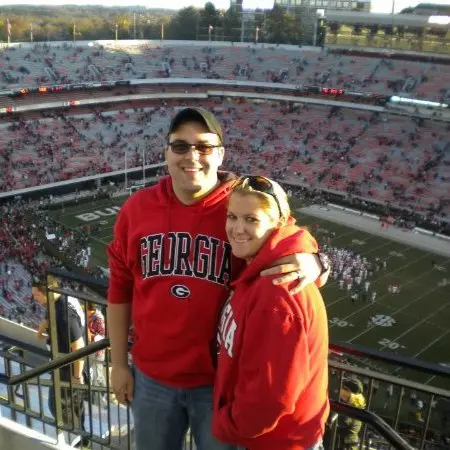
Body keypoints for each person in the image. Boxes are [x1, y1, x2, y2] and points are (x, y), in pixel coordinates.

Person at [107, 107, 330, 450]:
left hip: (219, 385)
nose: (191, 156)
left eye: (204, 147)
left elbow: (284, 233)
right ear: (166, 152)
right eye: (180, 146)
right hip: (151, 377)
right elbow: (119, 291)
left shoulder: (239, 205)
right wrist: (119, 363)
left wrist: (316, 260)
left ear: (221, 153)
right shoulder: (136, 209)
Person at [212, 176, 329, 450]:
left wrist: (224, 424)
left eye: (252, 219)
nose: (237, 229)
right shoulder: (260, 267)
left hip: (275, 442)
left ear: (278, 223)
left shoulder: (278, 292)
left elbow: (271, 397)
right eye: (232, 217)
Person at [32, 277, 90, 449]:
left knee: (59, 407)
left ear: (47, 292)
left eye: (37, 295)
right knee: (71, 407)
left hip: (69, 368)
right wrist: (42, 329)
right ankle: (82, 438)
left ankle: (82, 439)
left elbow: (78, 347)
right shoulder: (59, 298)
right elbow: (49, 316)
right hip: (63, 364)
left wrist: (77, 376)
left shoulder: (64, 313)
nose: (35, 298)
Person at [336, 378, 366, 450]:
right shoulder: (352, 405)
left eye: (343, 387)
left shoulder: (352, 408)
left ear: (348, 391)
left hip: (346, 447)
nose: (339, 389)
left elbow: (338, 422)